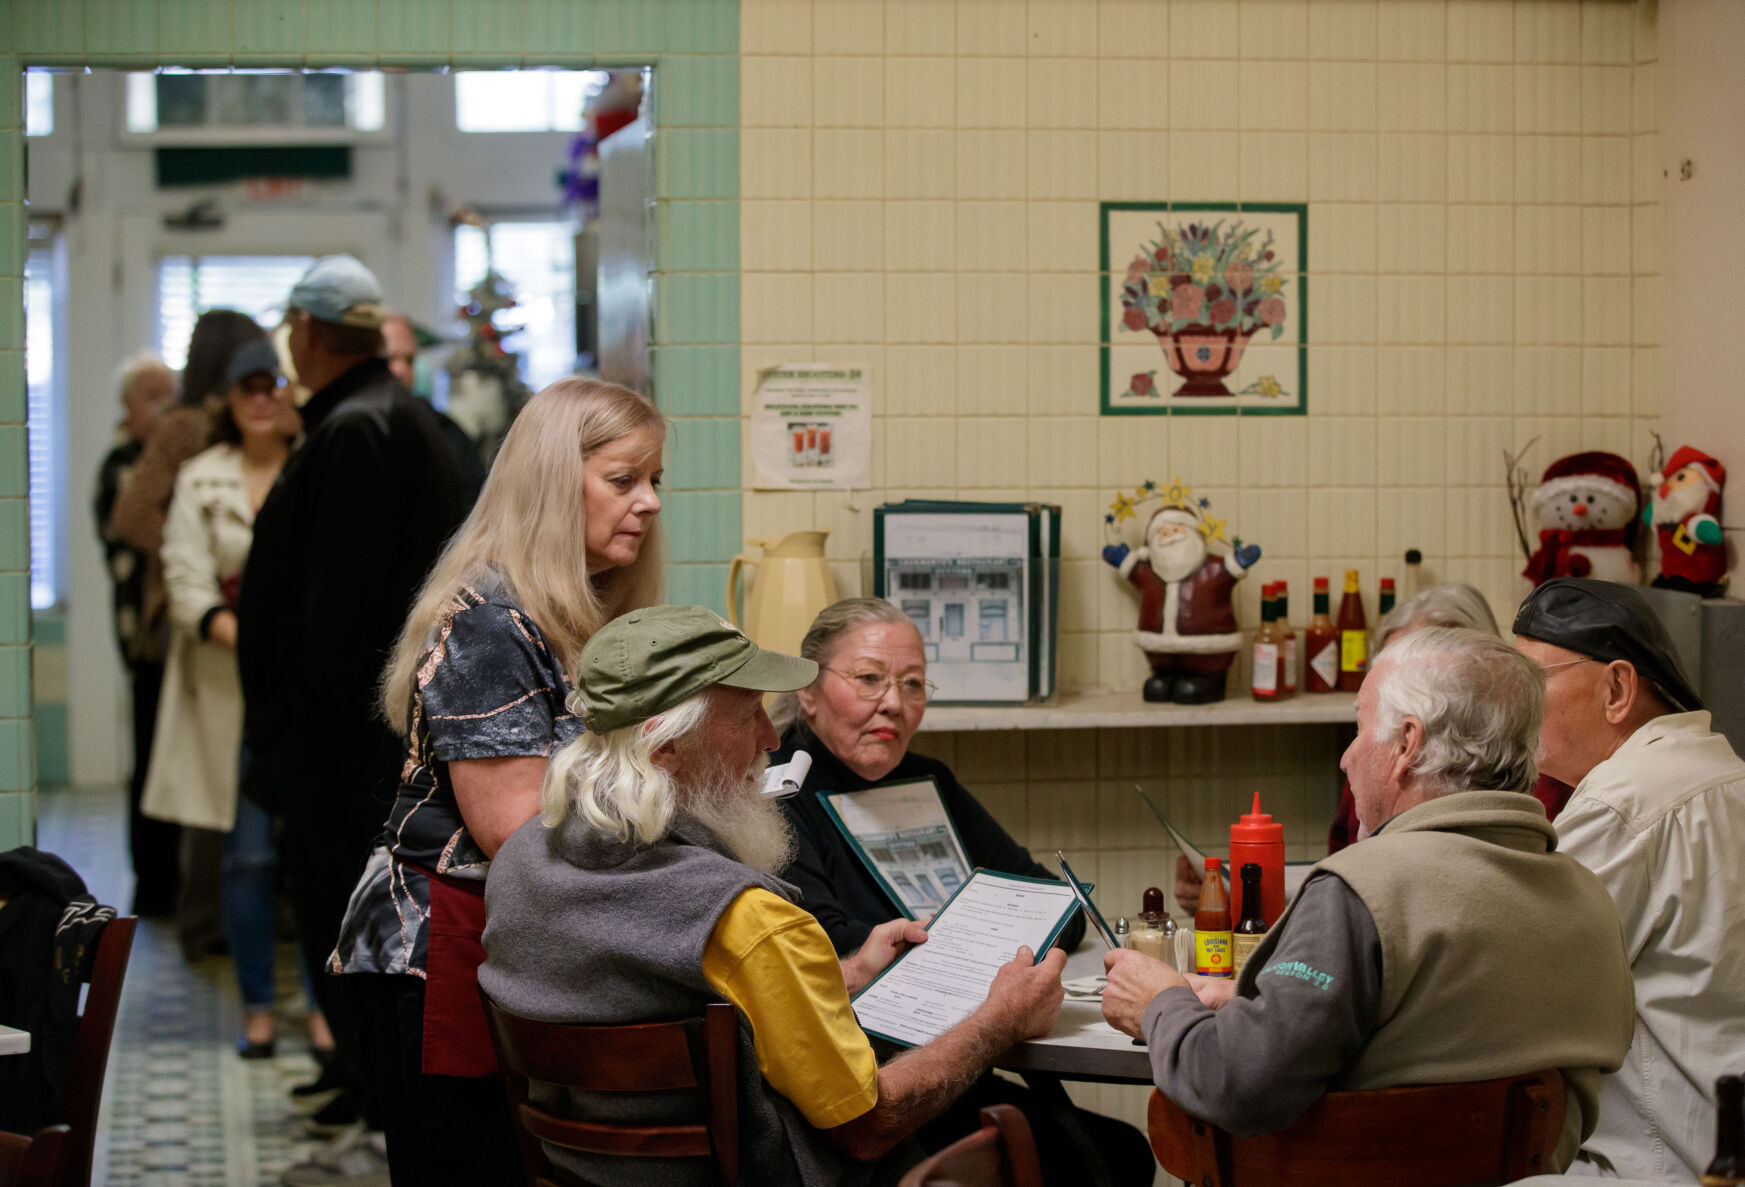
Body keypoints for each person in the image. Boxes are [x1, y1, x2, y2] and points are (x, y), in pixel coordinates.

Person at [481, 606, 1070, 1187]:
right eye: (748, 715)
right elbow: (867, 1125)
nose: (770, 738)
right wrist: (1001, 1018)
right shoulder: (747, 917)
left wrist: (846, 972)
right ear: (665, 747)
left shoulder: (519, 864)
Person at [1103, 628, 1635, 1173]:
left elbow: (1237, 1083)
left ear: (1407, 744)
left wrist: (1161, 1005)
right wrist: (1251, 997)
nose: (1346, 757)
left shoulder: (1359, 893)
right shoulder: (1589, 898)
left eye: (1359, 727)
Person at [330, 379, 665, 1183]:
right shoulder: (488, 618)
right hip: (437, 950)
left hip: (505, 939)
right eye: (624, 480)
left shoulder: (573, 609)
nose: (649, 503)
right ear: (554, 482)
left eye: (656, 481)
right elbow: (512, 827)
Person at [768, 598, 1152, 1183]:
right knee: (1104, 1162)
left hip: (956, 1059)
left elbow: (1057, 905)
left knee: (1120, 1153)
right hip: (857, 1091)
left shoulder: (928, 779)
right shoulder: (781, 791)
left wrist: (964, 950)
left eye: (913, 683)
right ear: (809, 690)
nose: (893, 703)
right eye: (869, 679)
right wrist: (991, 948)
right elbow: (830, 949)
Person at [237, 255, 466, 1182]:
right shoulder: (393, 420)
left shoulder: (356, 432)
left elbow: (337, 620)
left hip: (346, 759)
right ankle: (386, 1125)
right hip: (368, 748)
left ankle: (389, 1135)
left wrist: (296, 744)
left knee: (362, 955)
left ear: (309, 333)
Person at [1513, 578, 1745, 1180]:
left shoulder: (1626, 798)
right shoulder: (1725, 770)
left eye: (1530, 683)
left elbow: (1524, 979)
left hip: (1661, 1163)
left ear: (1617, 687)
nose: (1511, 707)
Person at [1172, 582, 1573, 913]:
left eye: (1420, 675)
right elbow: (1342, 878)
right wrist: (1243, 897)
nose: (1348, 757)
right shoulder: (1371, 761)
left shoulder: (1531, 784)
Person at [135, 341, 312, 1061]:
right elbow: (185, 576)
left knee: (313, 855)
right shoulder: (202, 479)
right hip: (228, 685)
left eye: (274, 385)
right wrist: (237, 631)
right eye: (248, 388)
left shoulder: (315, 464)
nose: (263, 399)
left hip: (306, 692)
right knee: (246, 856)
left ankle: (323, 1010)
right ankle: (260, 1007)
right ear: (230, 401)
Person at [112, 310, 270, 957]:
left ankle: (225, 909)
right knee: (197, 776)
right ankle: (191, 909)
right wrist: (195, 549)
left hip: (228, 626)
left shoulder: (260, 432)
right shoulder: (186, 428)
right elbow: (132, 512)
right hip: (193, 622)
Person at [92, 353, 179, 917]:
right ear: (127, 406)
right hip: (147, 639)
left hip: (185, 635)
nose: (167, 408)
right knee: (149, 753)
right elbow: (128, 530)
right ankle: (152, 884)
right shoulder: (123, 465)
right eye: (154, 397)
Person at [381, 311, 485, 507]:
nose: (402, 370)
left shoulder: (444, 431)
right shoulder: (350, 426)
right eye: (389, 359)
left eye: (409, 360)